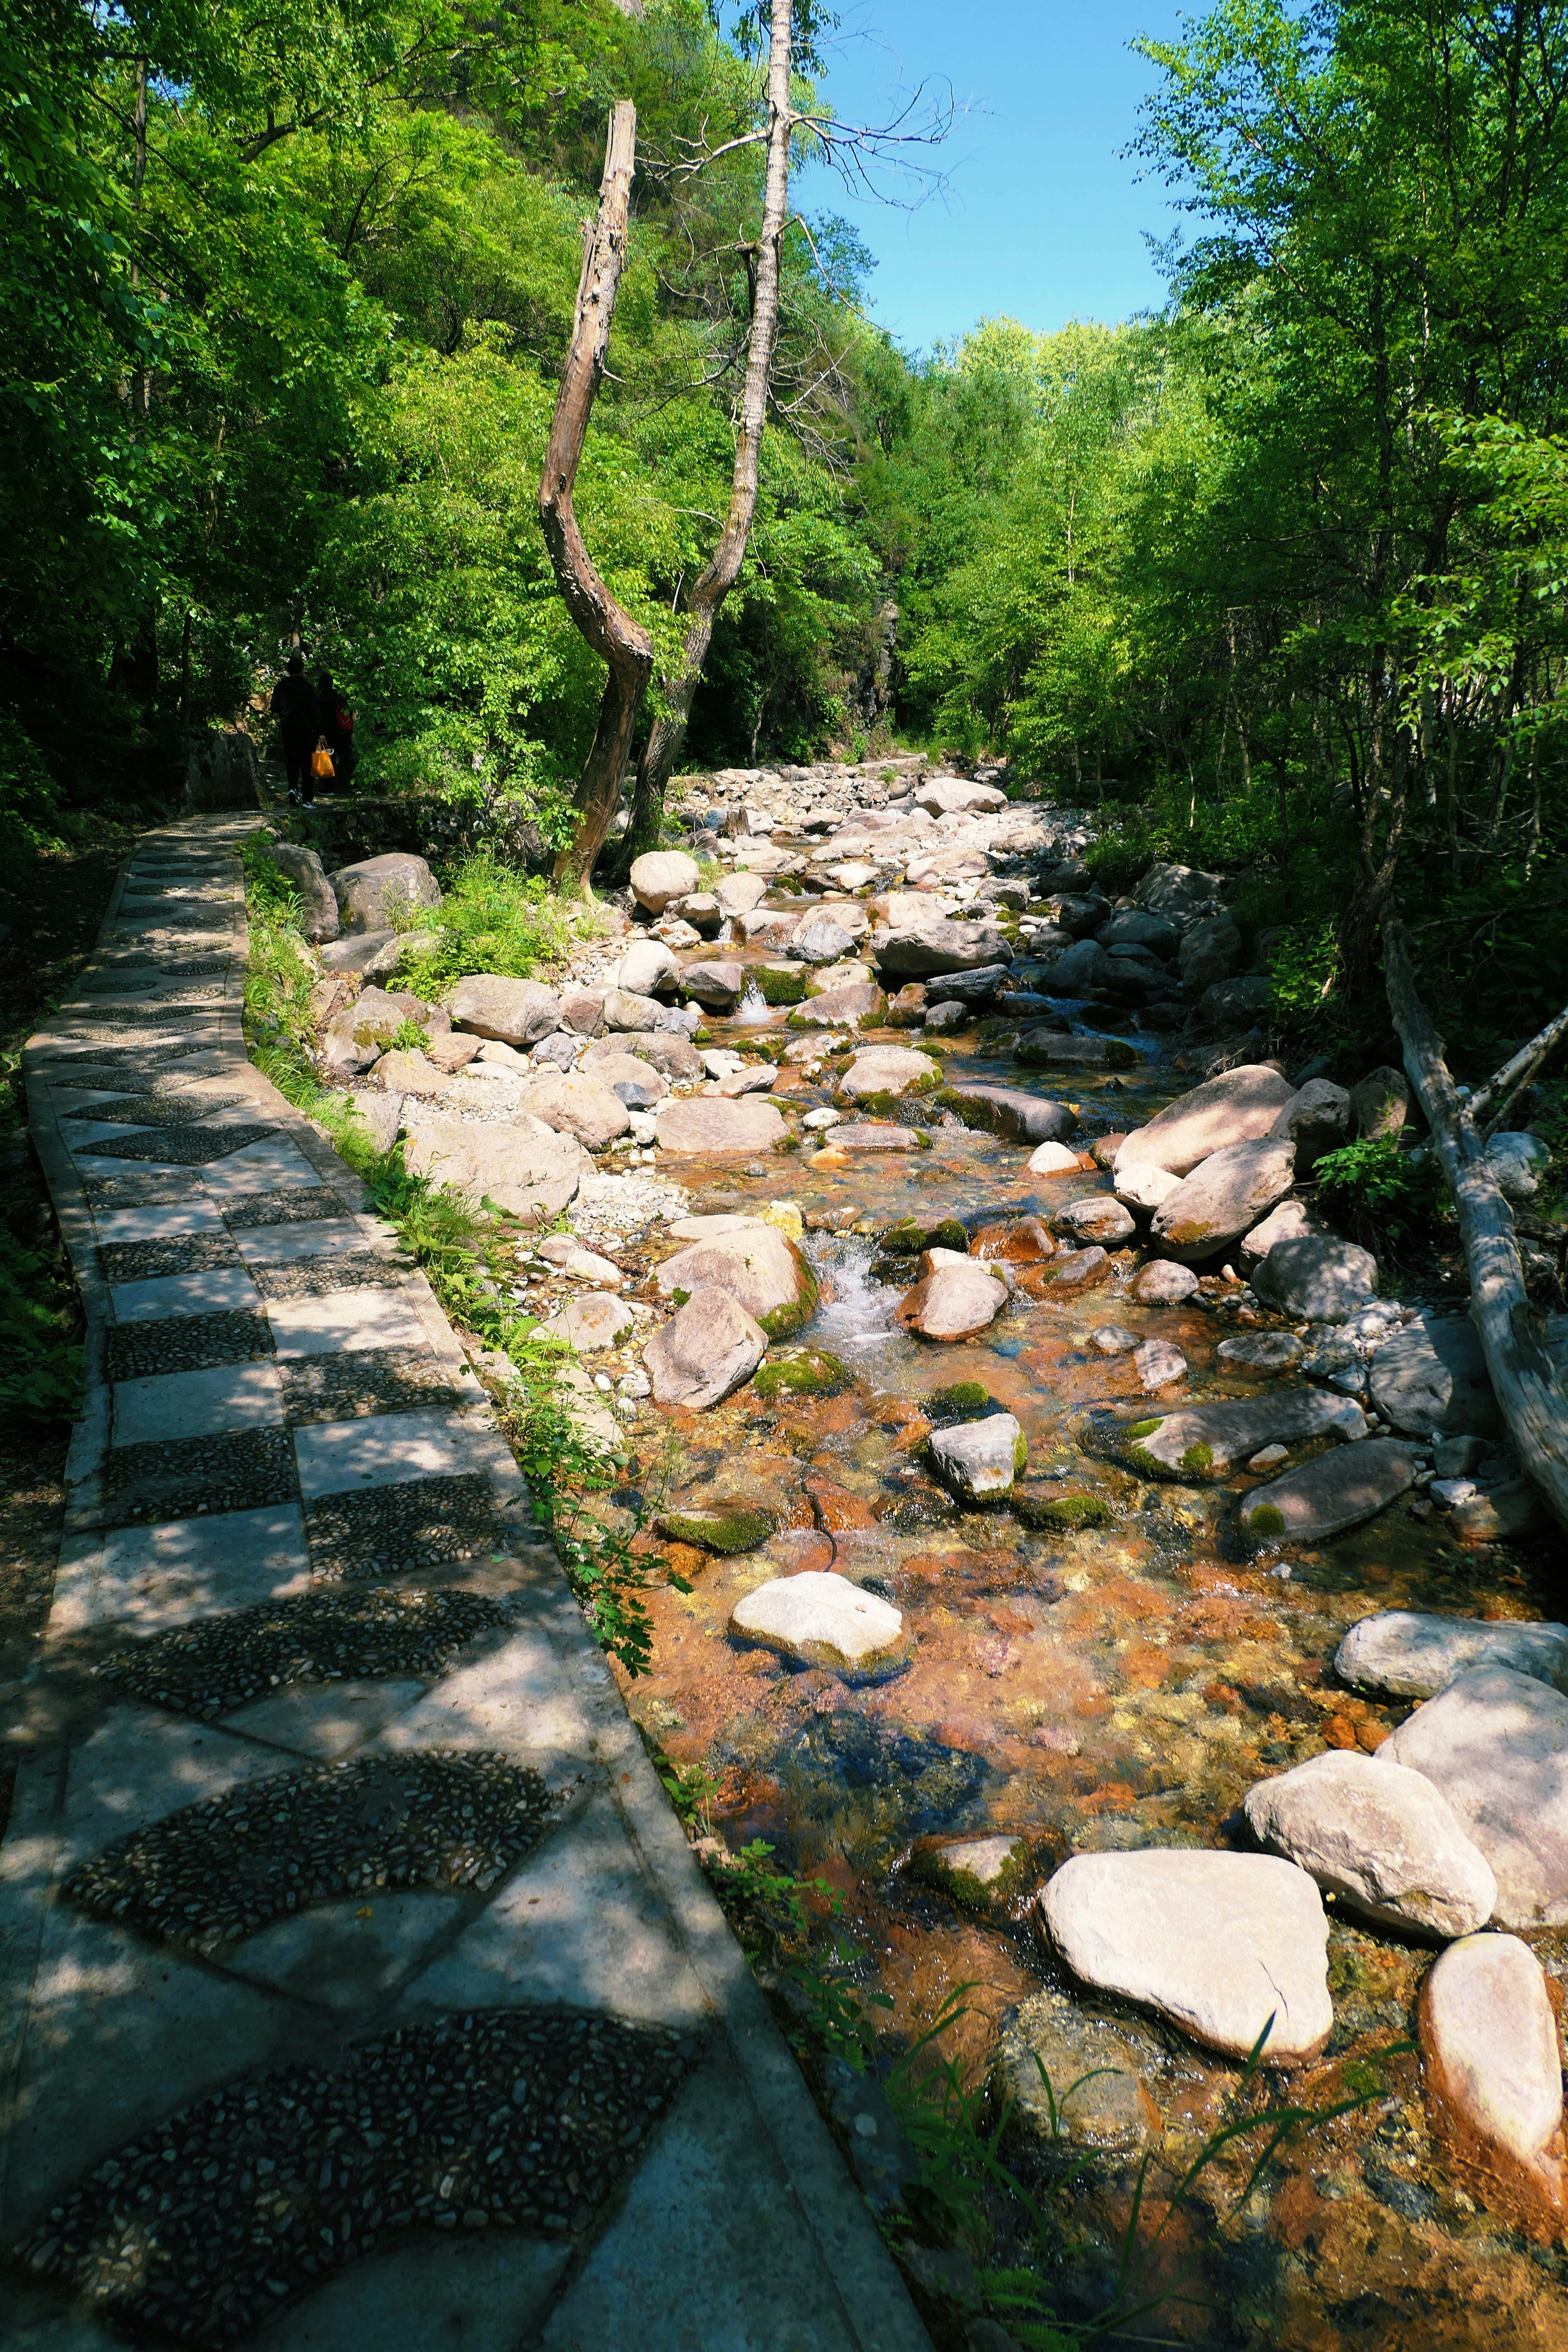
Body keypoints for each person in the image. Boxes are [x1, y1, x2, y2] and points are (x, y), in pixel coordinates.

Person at [270, 653, 321, 805]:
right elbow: (315, 712)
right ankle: (307, 799)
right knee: (307, 763)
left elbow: (274, 707)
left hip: (288, 728)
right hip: (306, 730)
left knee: (292, 760)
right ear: (302, 670)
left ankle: (292, 788)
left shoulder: (280, 687)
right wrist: (320, 732)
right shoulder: (308, 688)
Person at [316, 669, 357, 793]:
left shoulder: (321, 700)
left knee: (328, 761)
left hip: (329, 735)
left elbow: (319, 718)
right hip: (343, 734)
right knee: (349, 761)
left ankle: (328, 788)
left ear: (322, 685)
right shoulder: (341, 699)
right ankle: (356, 787)